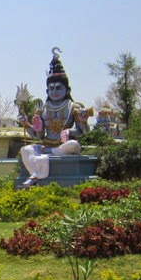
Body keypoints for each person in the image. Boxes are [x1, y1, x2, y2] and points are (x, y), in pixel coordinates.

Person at [18, 49, 91, 187]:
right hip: (46, 144)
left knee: (74, 145)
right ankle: (35, 173)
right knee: (25, 150)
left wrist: (80, 124)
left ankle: (44, 160)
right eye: (51, 88)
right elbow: (38, 136)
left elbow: (85, 132)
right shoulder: (41, 109)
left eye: (59, 88)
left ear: (67, 90)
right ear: (47, 91)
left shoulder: (74, 106)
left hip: (64, 146)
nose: (55, 92)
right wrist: (27, 125)